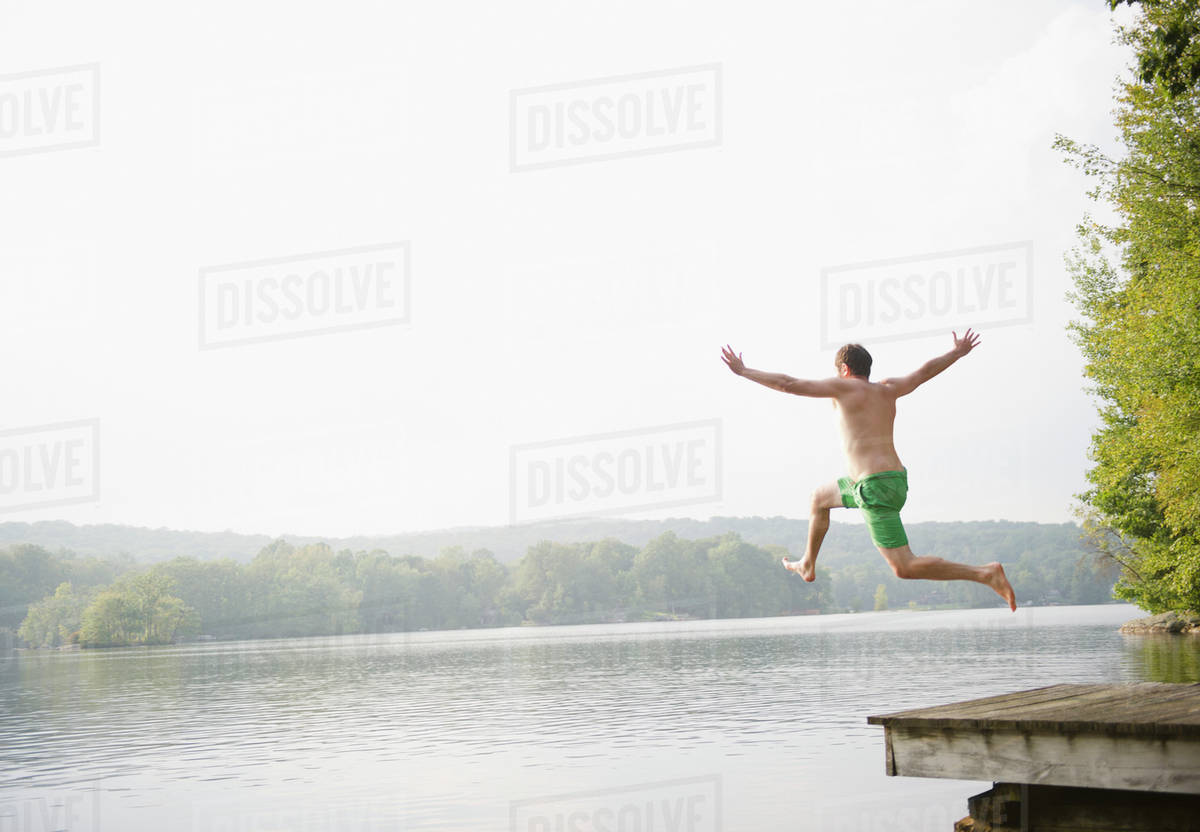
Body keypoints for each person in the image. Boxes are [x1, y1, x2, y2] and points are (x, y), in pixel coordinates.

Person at [720, 329, 1016, 611]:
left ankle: (984, 573)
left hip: (874, 487)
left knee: (904, 567)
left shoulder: (844, 387)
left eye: (838, 373)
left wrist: (745, 371)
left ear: (845, 370)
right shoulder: (888, 389)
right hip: (886, 481)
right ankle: (807, 563)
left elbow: (789, 384)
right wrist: (957, 353)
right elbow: (924, 372)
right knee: (819, 498)